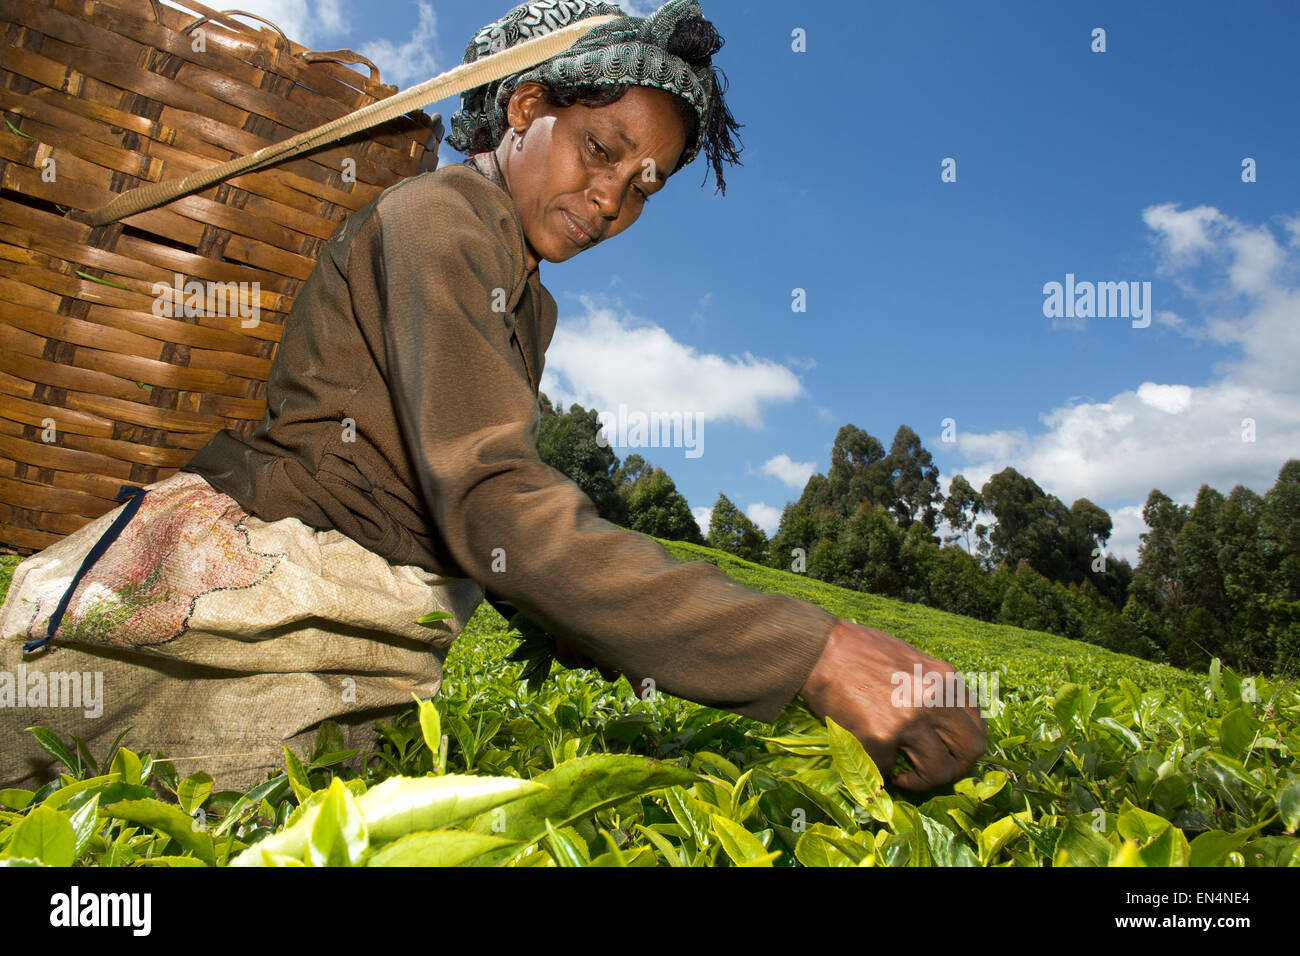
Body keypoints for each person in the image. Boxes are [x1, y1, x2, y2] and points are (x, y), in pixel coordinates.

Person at [0, 0, 985, 792]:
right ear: (522, 110)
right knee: (60, 752)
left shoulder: (530, 303)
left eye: (645, 186)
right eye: (601, 151)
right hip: (258, 576)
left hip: (382, 621)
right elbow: (492, 502)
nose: (613, 200)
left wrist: (606, 632)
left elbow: (493, 537)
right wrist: (813, 653)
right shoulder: (438, 218)